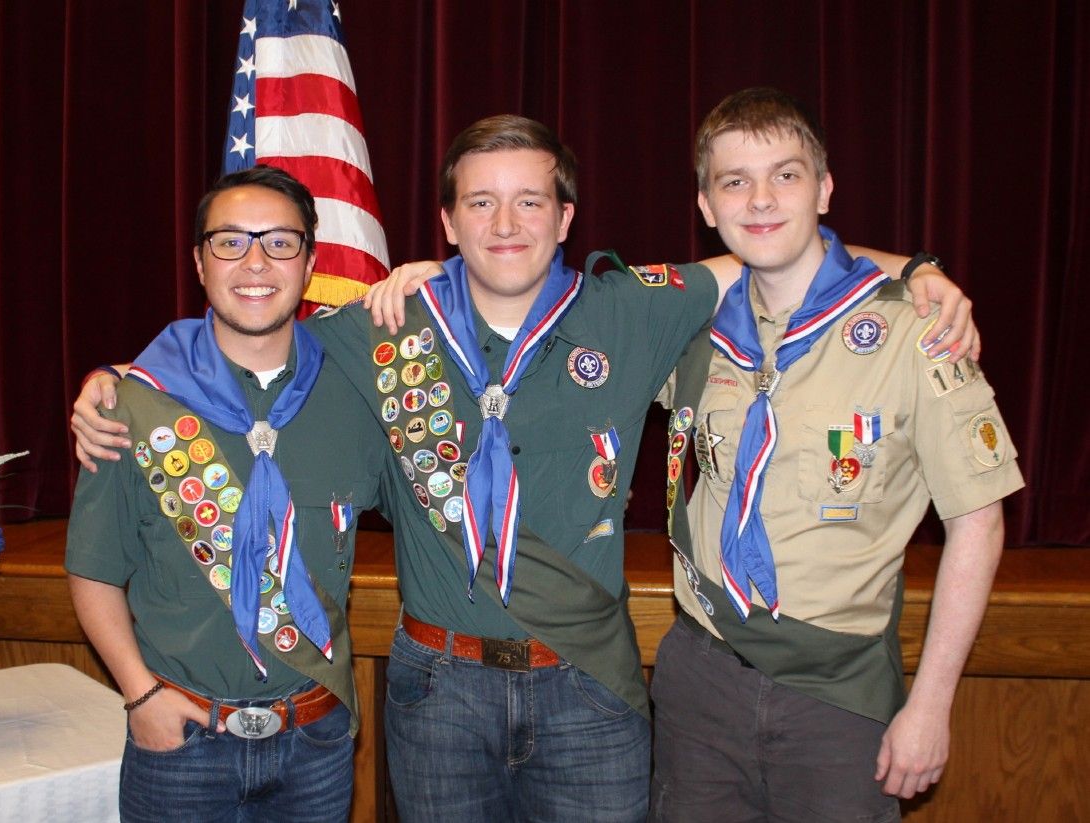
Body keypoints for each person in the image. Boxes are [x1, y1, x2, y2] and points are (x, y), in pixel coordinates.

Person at [71, 115, 973, 822]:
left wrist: (922, 271)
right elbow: (242, 333)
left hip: (587, 685)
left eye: (529, 201)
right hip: (438, 691)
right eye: (481, 203)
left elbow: (784, 249)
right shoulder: (382, 329)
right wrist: (110, 384)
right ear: (447, 221)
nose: (506, 223)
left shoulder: (629, 309)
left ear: (567, 217)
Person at [648, 88, 1024, 822]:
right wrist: (430, 276)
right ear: (705, 204)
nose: (760, 199)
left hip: (837, 697)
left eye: (786, 175)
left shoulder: (917, 332)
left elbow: (980, 522)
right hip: (701, 679)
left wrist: (931, 704)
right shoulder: (689, 328)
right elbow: (544, 301)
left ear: (824, 188)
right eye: (735, 181)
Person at [65, 166, 387, 821]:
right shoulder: (135, 404)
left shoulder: (358, 394)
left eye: (280, 241)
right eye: (231, 241)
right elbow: (92, 571)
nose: (256, 262)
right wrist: (140, 696)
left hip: (315, 739)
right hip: (180, 742)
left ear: (310, 261)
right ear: (199, 262)